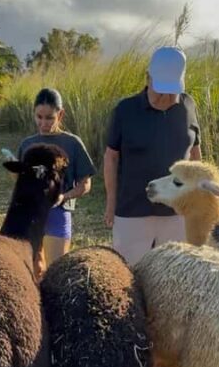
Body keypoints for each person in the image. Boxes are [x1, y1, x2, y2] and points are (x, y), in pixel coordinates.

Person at [104, 46, 201, 266]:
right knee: (129, 274)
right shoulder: (125, 110)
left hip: (177, 211)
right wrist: (111, 202)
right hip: (133, 210)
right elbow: (111, 157)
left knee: (175, 273)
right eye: (160, 90)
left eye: (171, 91)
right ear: (148, 79)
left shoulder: (188, 106)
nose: (165, 97)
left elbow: (195, 151)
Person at [17, 88, 96, 267]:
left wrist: (63, 197)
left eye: (49, 118)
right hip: (30, 214)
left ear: (60, 115)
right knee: (31, 270)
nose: (43, 123)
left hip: (58, 213)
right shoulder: (26, 144)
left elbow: (86, 184)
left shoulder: (72, 143)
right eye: (39, 117)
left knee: (55, 271)